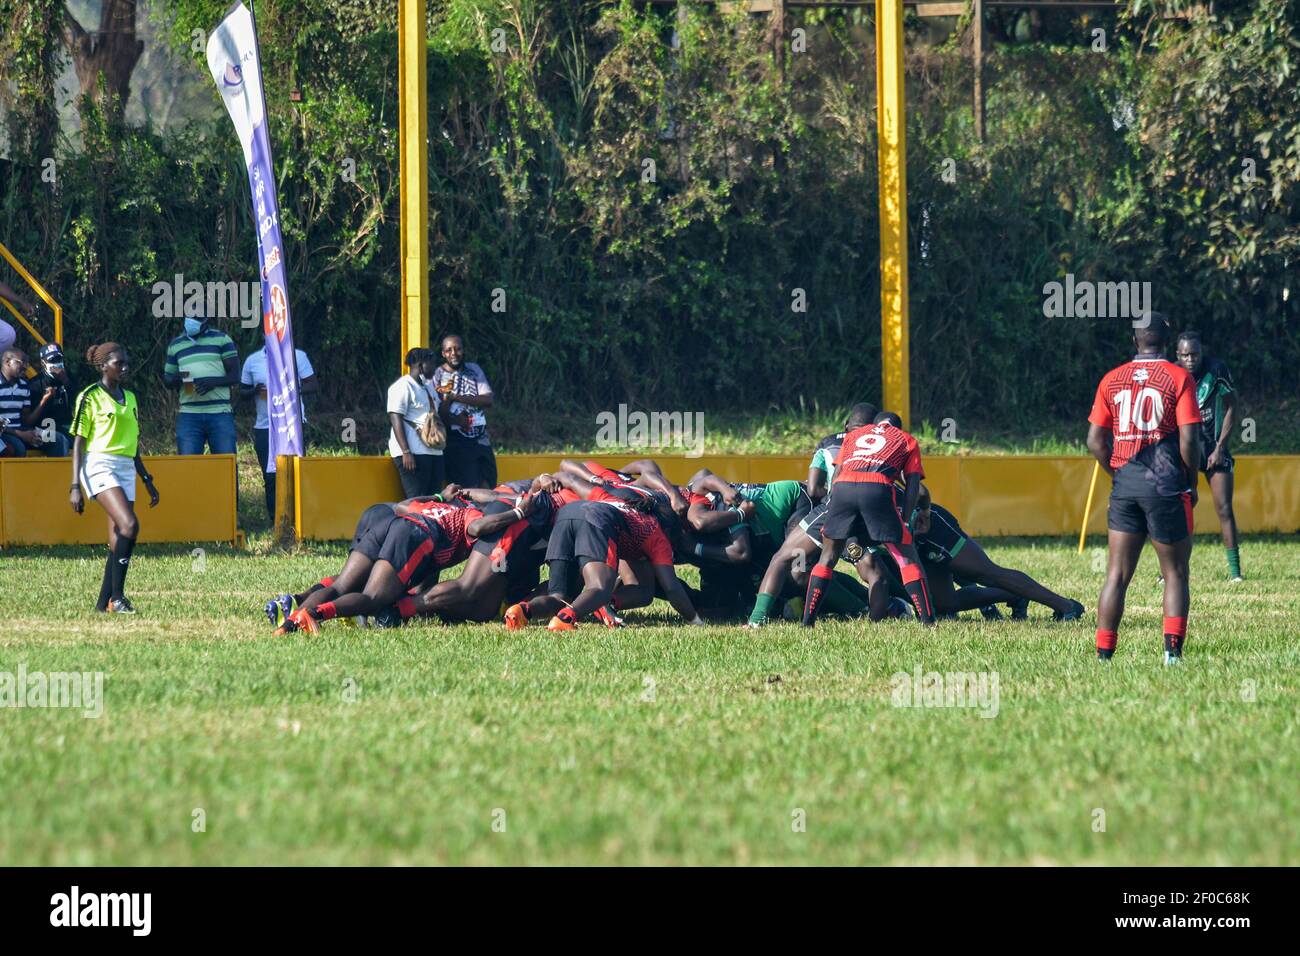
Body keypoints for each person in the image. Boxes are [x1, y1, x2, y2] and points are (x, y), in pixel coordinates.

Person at [1087, 312, 1201, 664]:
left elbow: (1094, 440)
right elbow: (1189, 438)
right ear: (1167, 343)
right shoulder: (1178, 377)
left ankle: (1104, 655)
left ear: (1135, 340)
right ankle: (1172, 656)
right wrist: (1190, 480)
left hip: (1125, 486)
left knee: (1117, 575)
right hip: (1165, 485)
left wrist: (1117, 473)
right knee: (1175, 573)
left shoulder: (1112, 379)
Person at [802, 411, 937, 626]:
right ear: (897, 427)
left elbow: (837, 474)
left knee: (828, 556)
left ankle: (807, 622)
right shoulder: (906, 439)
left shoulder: (854, 436)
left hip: (843, 488)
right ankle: (928, 622)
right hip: (877, 486)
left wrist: (836, 506)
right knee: (906, 557)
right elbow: (913, 485)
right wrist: (904, 517)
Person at [69, 343, 160, 614]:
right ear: (103, 366)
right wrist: (75, 485)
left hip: (124, 466)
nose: (124, 367)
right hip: (99, 463)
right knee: (130, 525)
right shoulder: (90, 396)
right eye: (118, 363)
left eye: (126, 362)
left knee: (117, 538)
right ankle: (118, 598)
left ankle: (101, 605)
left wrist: (146, 478)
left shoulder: (130, 397)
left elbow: (133, 443)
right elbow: (78, 443)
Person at [1176, 331, 1242, 582]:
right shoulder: (1173, 373)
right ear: (1178, 356)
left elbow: (1232, 406)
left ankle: (1235, 572)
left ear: (1202, 352)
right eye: (1185, 355)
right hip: (1185, 451)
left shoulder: (1217, 369)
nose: (1191, 359)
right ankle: (1169, 570)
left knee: (1224, 508)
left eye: (1195, 354)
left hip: (1214, 450)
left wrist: (1220, 447)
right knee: (1179, 511)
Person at [241, 344, 317, 520]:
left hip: (292, 424)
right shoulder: (252, 361)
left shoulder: (297, 355)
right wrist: (254, 391)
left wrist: (292, 390)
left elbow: (313, 384)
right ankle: (274, 519)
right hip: (264, 427)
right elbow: (242, 392)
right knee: (270, 475)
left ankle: (299, 519)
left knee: (296, 472)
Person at [163, 307, 240, 455]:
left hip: (219, 412)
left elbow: (235, 376)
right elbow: (167, 379)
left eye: (196, 318)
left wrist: (213, 382)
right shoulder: (176, 344)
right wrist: (177, 379)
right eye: (189, 317)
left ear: (206, 321)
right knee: (188, 467)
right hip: (189, 413)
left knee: (225, 465)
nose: (191, 321)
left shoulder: (222, 339)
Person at [431, 334, 497, 489]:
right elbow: (437, 414)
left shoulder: (473, 369)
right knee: (467, 489)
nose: (454, 353)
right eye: (449, 350)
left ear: (463, 350)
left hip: (481, 439)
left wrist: (457, 397)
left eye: (458, 349)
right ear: (443, 353)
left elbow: (488, 400)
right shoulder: (437, 375)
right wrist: (455, 418)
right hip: (456, 443)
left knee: (489, 484)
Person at [387, 348, 445, 498]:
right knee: (417, 501)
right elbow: (395, 417)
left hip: (434, 452)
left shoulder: (429, 387)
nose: (434, 368)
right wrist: (406, 452)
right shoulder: (402, 386)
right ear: (420, 365)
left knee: (436, 501)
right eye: (431, 364)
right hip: (414, 454)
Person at [23, 343, 78, 456]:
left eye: (59, 358)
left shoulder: (69, 377)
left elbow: (79, 400)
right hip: (43, 426)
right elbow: (30, 419)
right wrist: (45, 399)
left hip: (66, 424)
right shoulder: (35, 384)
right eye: (52, 360)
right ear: (43, 362)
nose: (57, 363)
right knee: (61, 439)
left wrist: (65, 380)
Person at [0, 347, 38, 457]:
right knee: (18, 448)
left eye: (27, 363)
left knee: (57, 439)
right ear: (7, 362)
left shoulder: (24, 386)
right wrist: (21, 435)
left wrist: (45, 400)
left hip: (20, 429)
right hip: (5, 432)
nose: (25, 367)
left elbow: (26, 420)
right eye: (22, 362)